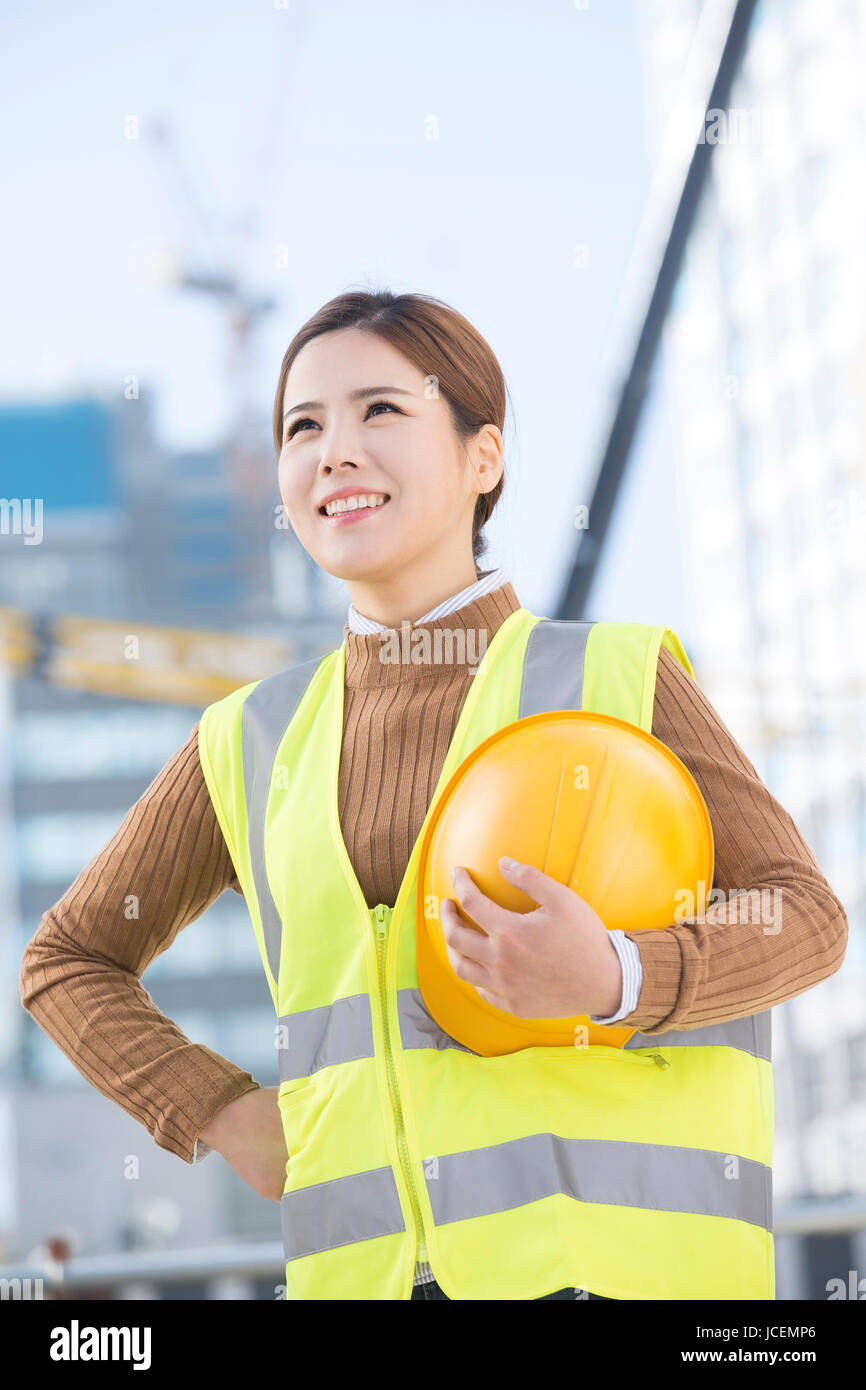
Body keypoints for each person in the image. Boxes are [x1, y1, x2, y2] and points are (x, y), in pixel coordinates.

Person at [20, 289, 848, 1301]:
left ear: (481, 457)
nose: (334, 451)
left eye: (380, 410)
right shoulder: (248, 737)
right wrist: (224, 1111)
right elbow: (67, 960)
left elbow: (804, 916)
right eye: (302, 426)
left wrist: (615, 975)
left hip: (612, 1280)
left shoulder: (615, 677)